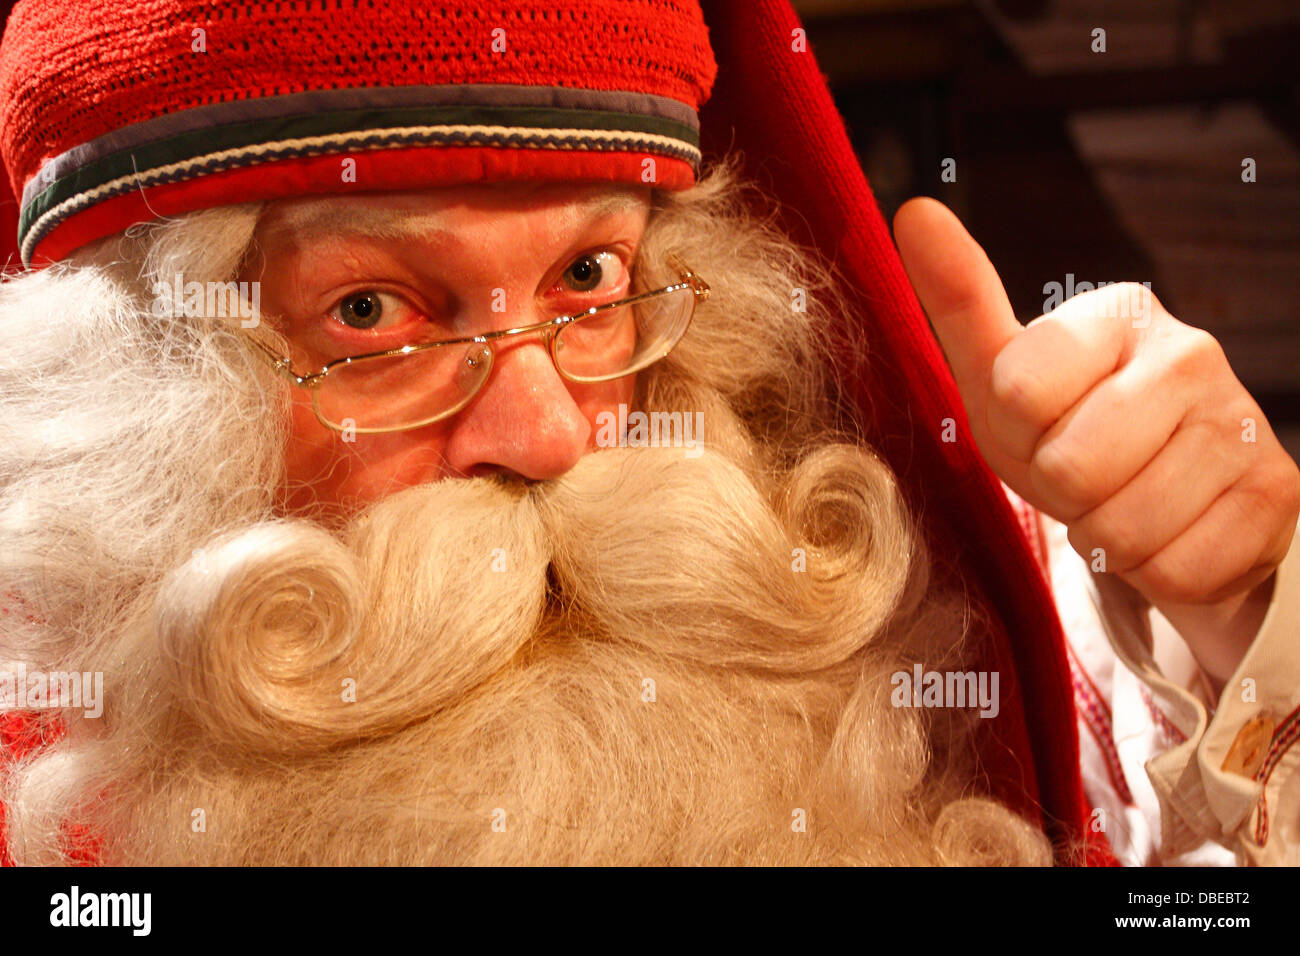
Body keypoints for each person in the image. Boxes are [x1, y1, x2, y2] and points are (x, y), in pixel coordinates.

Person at [0, 0, 1295, 866]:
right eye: (369, 309)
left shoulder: (1036, 636)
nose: (550, 434)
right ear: (146, 397)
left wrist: (1245, 617)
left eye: (586, 284)